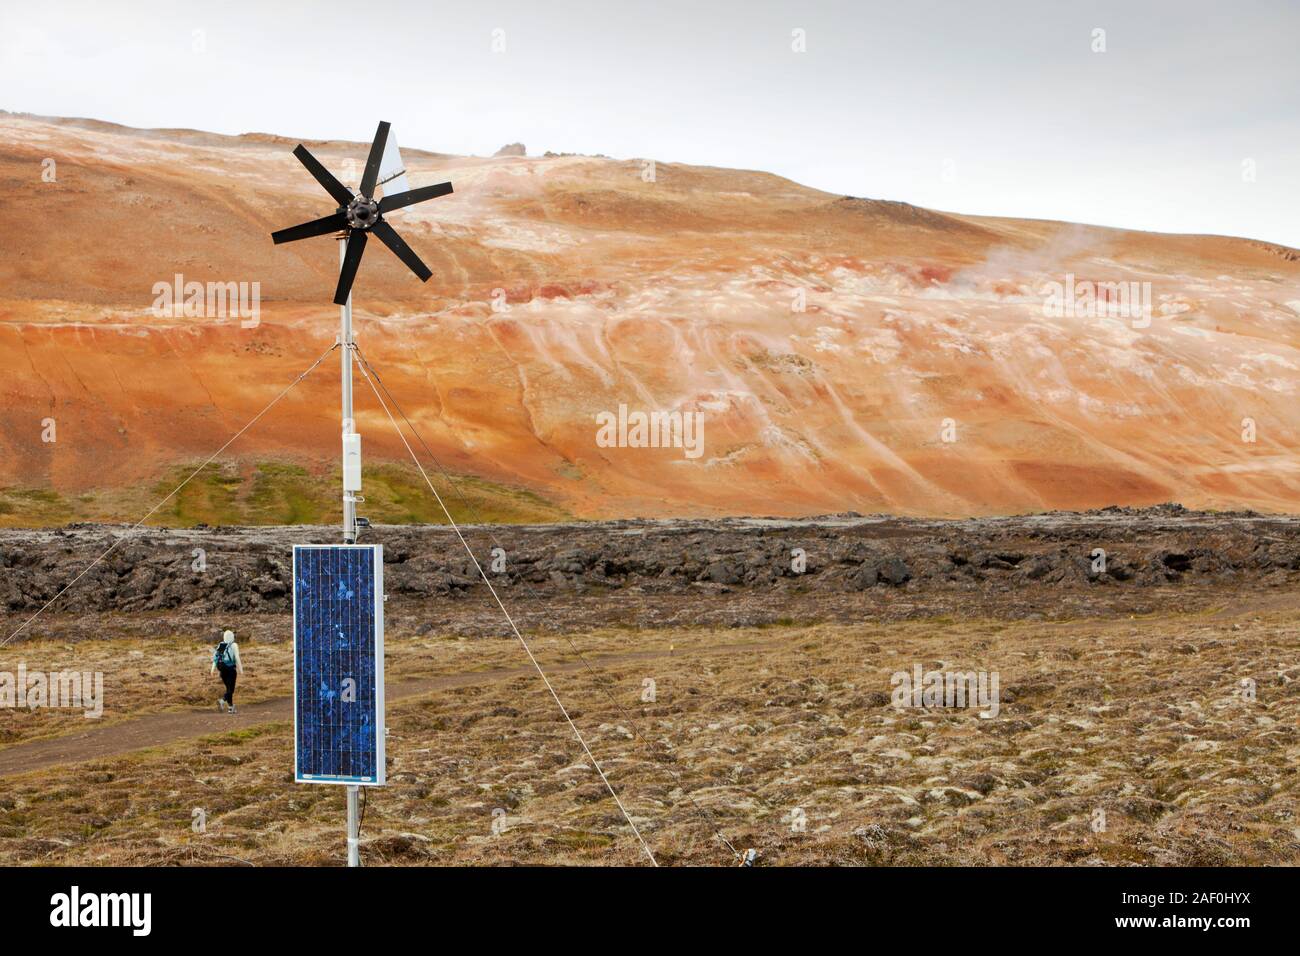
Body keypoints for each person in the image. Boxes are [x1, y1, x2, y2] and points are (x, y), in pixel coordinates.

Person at [211, 629, 244, 715]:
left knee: (228, 689)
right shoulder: (234, 645)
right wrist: (241, 670)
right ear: (232, 636)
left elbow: (215, 658)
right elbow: (237, 657)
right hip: (230, 670)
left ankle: (230, 708)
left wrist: (212, 669)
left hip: (222, 670)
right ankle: (222, 700)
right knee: (231, 690)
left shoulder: (221, 645)